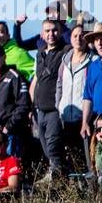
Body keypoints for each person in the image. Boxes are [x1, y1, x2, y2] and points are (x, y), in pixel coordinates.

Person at [28, 16, 72, 181]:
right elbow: (37, 79)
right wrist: (32, 105)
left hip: (55, 108)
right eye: (47, 31)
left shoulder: (66, 51)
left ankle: (57, 178)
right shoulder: (39, 53)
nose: (51, 34)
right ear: (42, 34)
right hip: (40, 109)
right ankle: (61, 177)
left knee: (54, 146)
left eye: (54, 30)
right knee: (45, 148)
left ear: (60, 32)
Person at [55, 23, 92, 173]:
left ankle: (89, 188)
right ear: (70, 39)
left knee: (85, 156)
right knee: (70, 156)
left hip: (83, 118)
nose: (78, 38)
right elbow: (59, 84)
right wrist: (59, 106)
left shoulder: (93, 60)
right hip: (65, 117)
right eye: (75, 35)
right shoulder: (65, 60)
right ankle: (74, 188)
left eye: (82, 35)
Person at [0, 45, 31, 155]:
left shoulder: (14, 76)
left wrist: (8, 128)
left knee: (13, 169)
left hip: (10, 135)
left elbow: (24, 105)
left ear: (4, 57)